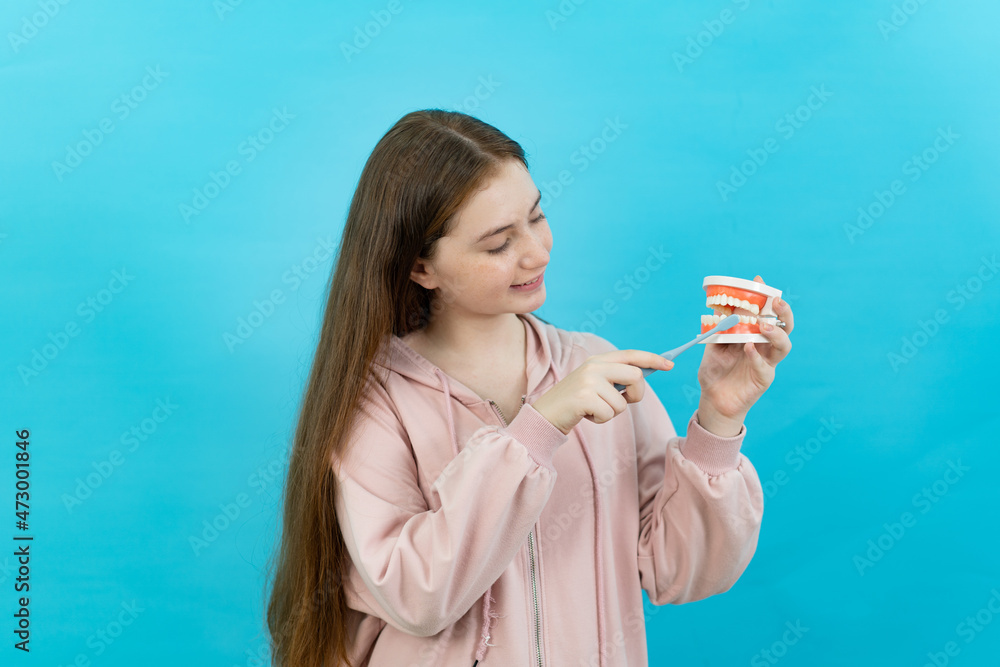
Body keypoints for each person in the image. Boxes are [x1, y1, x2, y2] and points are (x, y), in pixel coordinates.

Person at [264, 109, 794, 667]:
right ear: (421, 266)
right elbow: (417, 597)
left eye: (536, 217)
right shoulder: (378, 403)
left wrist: (719, 418)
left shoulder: (592, 365)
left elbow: (681, 571)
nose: (536, 253)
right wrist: (540, 428)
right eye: (498, 244)